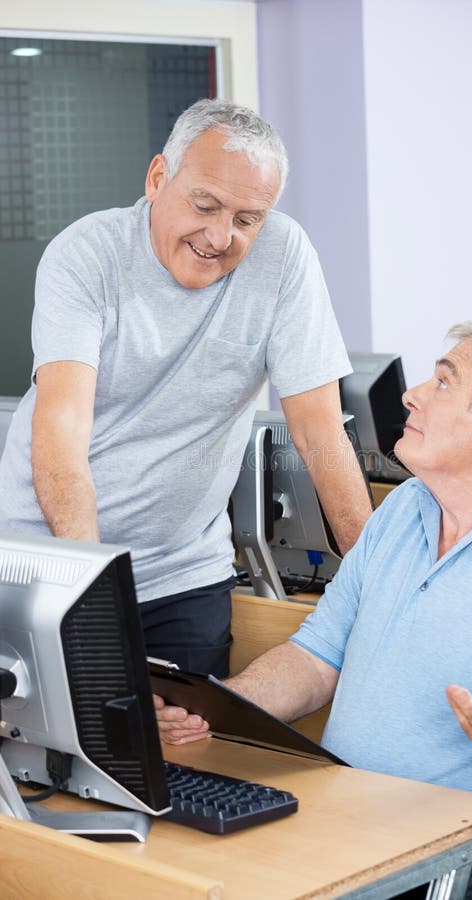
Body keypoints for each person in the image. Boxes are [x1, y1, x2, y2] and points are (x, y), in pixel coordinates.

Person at [156, 317, 472, 900]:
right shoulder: (403, 508)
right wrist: (213, 706)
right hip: (350, 844)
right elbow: (316, 658)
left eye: (443, 382)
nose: (412, 395)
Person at [0, 99, 373, 678]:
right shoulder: (88, 254)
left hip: (184, 572)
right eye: (205, 206)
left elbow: (319, 428)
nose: (220, 236)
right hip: (54, 562)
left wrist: (376, 580)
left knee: (189, 732)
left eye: (247, 219)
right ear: (157, 179)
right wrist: (94, 604)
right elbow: (61, 434)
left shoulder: (284, 256)